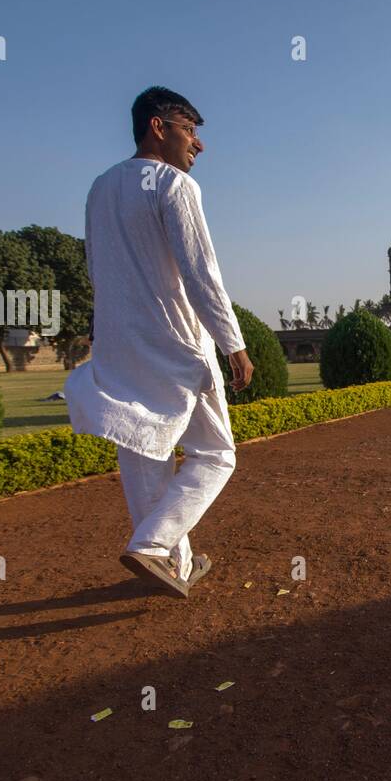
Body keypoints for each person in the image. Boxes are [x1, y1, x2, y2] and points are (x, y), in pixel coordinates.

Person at [65, 86, 254, 598]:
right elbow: (201, 272)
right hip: (176, 340)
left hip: (120, 343)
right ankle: (151, 545)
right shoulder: (174, 185)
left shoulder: (101, 187)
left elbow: (96, 268)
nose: (199, 144)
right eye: (189, 130)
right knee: (216, 455)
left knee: (146, 446)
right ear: (157, 126)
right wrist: (232, 342)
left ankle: (177, 563)